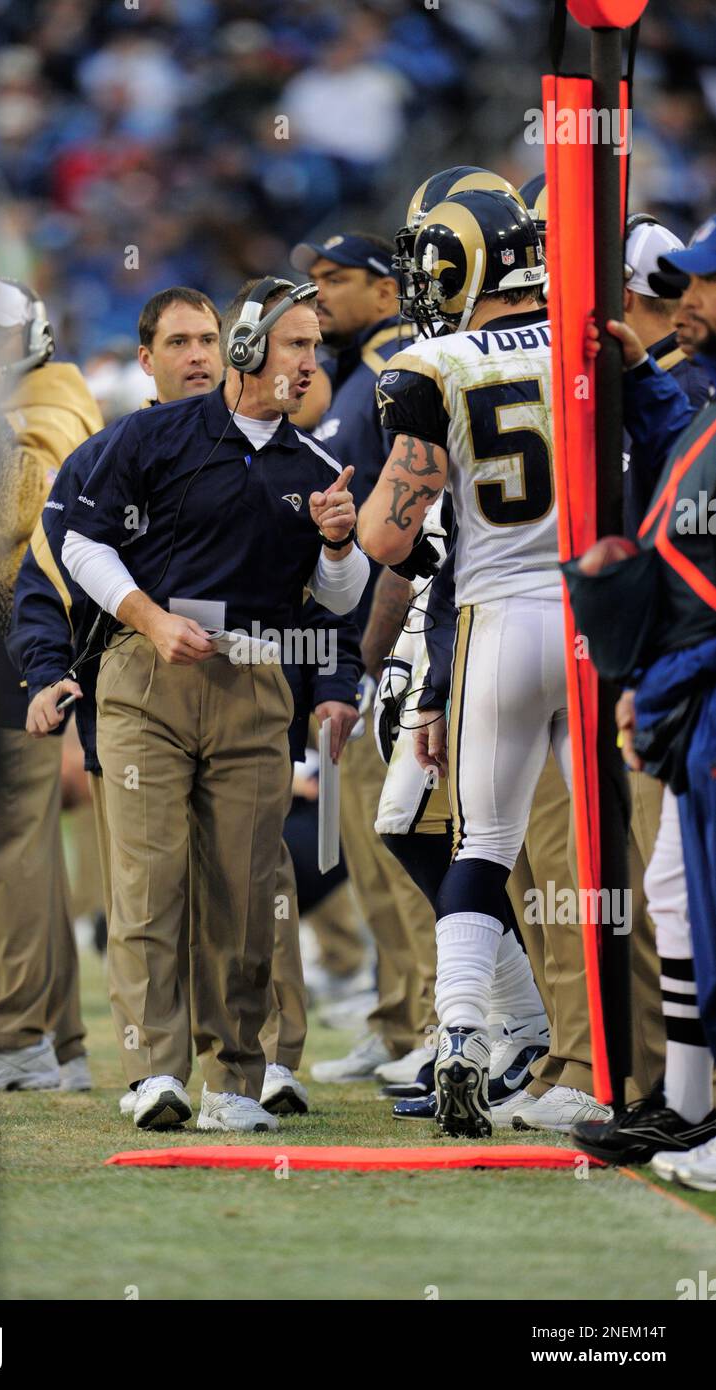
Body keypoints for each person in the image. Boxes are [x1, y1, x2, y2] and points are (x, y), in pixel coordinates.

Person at [10, 285, 363, 1121]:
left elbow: (338, 600)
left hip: (253, 677)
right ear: (252, 352)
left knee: (245, 889)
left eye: (316, 346)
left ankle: (239, 1074)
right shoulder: (143, 436)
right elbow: (76, 544)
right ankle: (152, 1073)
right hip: (143, 677)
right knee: (147, 878)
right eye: (295, 345)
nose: (310, 362)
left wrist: (341, 542)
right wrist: (145, 619)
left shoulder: (312, 466)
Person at [359, 187, 610, 1138]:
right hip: (595, 617)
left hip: (497, 622)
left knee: (482, 844)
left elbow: (389, 537)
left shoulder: (430, 366)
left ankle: (463, 1033)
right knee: (596, 856)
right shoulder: (591, 341)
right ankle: (592, 1067)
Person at [566, 221, 716, 1180]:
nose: (686, 298)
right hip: (688, 696)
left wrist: (656, 681)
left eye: (704, 284)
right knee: (676, 889)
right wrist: (643, 379)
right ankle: (690, 1108)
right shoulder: (703, 402)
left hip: (697, 684)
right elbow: (681, 463)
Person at [288, 230, 440, 1087]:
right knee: (364, 842)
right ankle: (394, 1016)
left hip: (399, 630)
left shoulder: (397, 366)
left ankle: (428, 1017)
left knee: (401, 837)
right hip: (349, 643)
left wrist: (383, 645)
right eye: (311, 284)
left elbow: (403, 521)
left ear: (389, 290)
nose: (320, 298)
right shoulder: (348, 375)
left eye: (335, 281)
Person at [0, 278, 104, 1093]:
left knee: (7, 839)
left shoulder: (46, 402)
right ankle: (58, 1038)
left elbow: (22, 501)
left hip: (13, 632)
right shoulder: (40, 392)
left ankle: (17, 1029)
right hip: (9, 634)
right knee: (23, 849)